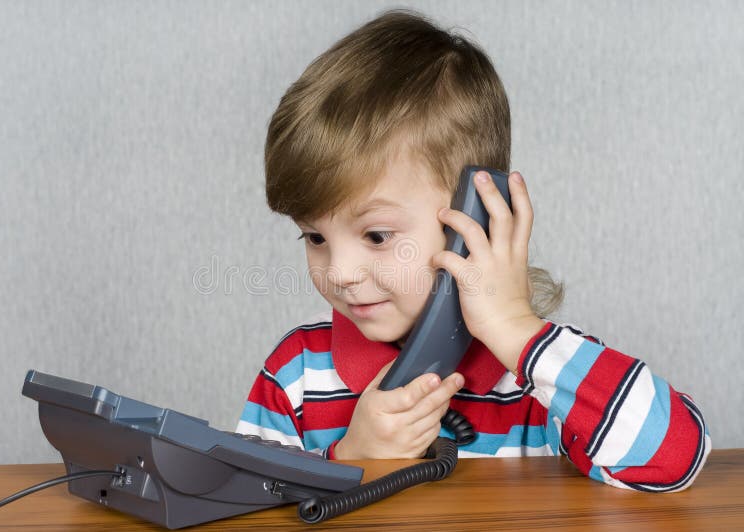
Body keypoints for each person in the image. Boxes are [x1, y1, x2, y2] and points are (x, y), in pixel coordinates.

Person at [235, 9, 710, 492]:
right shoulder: (295, 374)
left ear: (476, 218)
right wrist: (351, 458)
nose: (340, 271)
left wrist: (515, 332)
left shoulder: (545, 375)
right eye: (314, 237)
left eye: (377, 236)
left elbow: (676, 456)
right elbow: (237, 502)